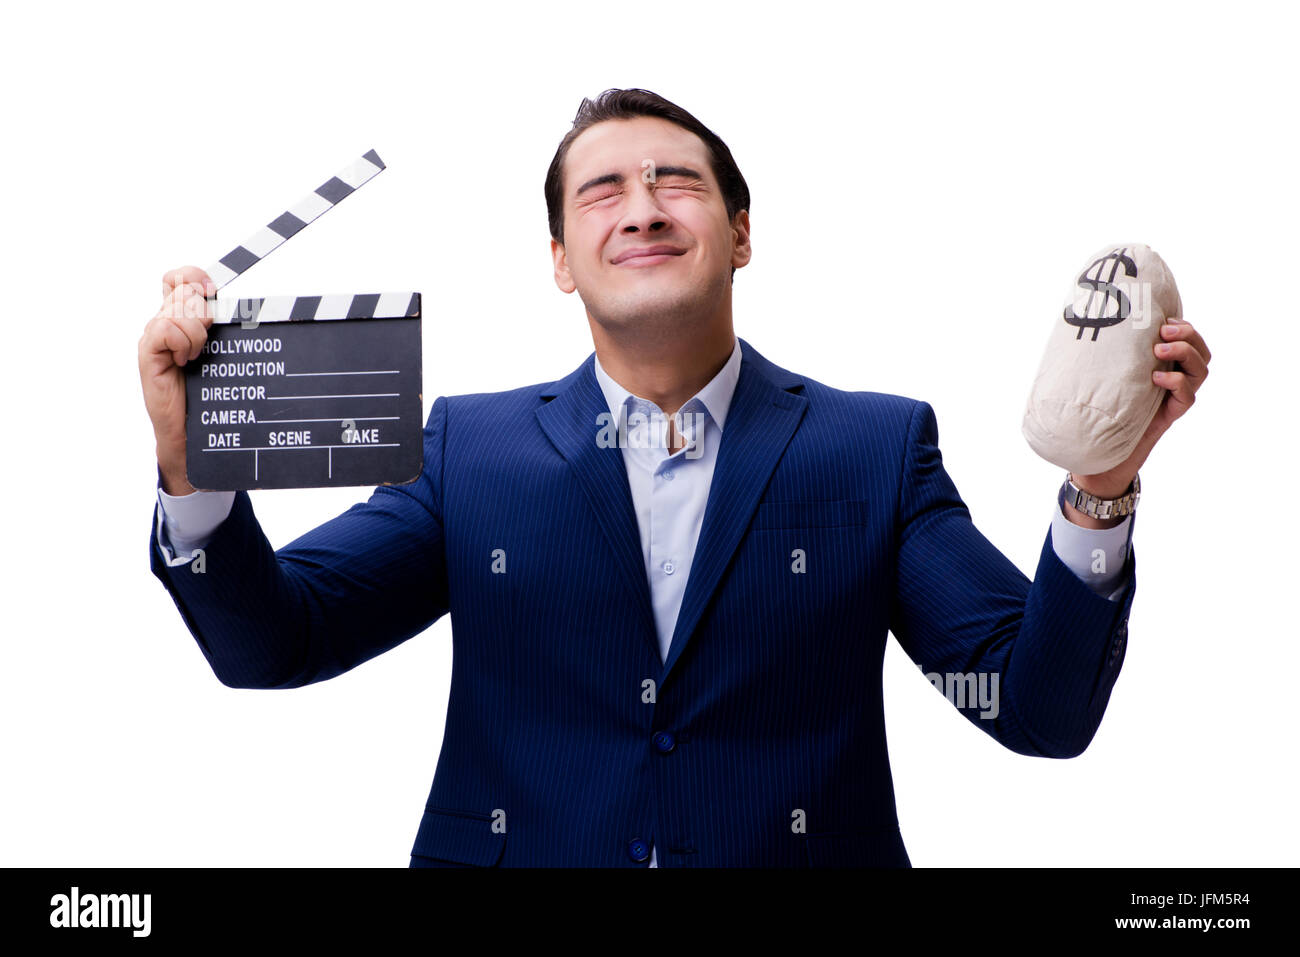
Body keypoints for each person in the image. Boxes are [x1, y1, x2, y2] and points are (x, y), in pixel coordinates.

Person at [139, 88, 1211, 867]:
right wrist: (195, 474)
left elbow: (1034, 711)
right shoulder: (468, 449)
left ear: (739, 235)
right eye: (601, 192)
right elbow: (273, 646)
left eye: (676, 185)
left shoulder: (873, 449)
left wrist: (1099, 487)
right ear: (560, 258)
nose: (642, 209)